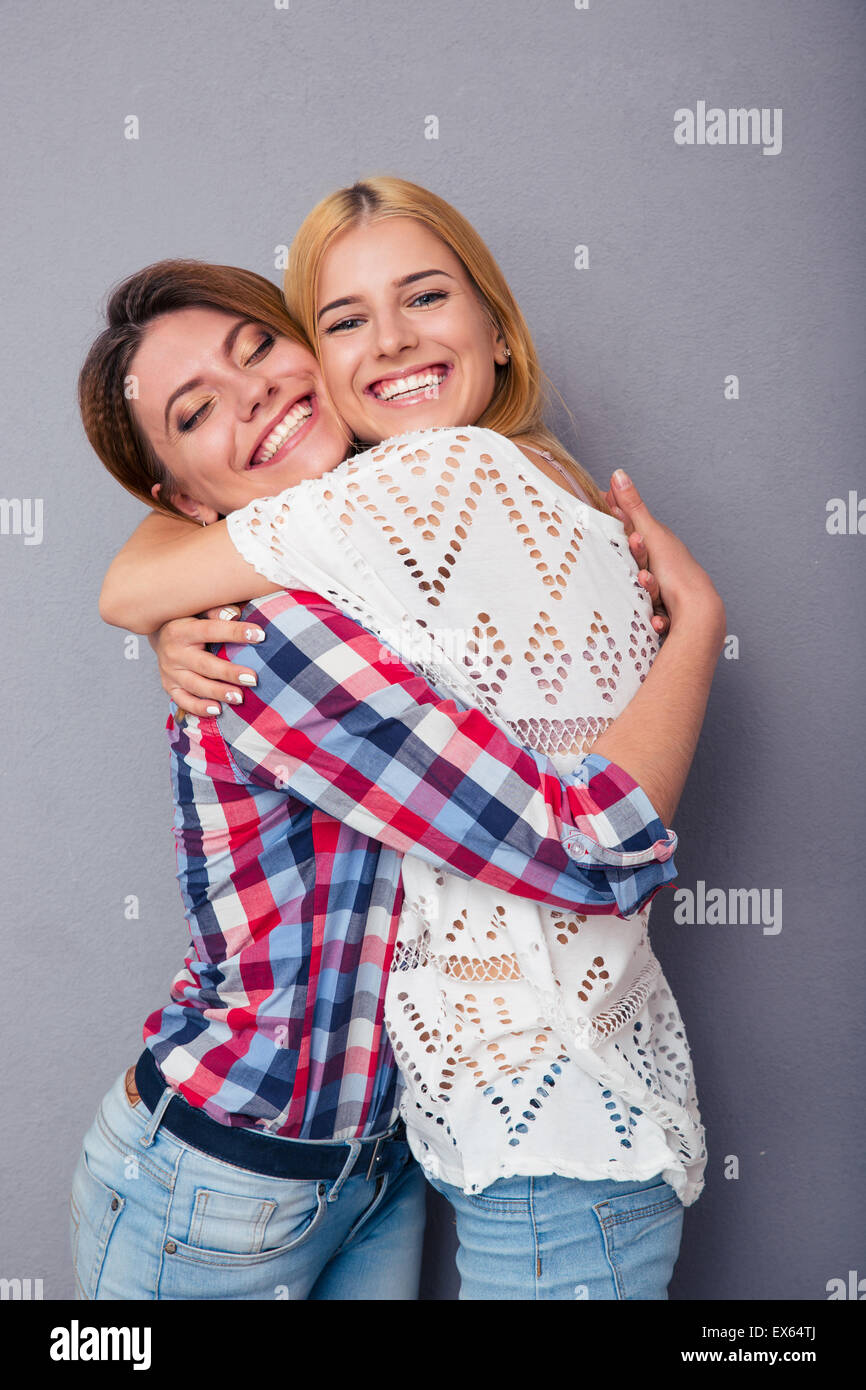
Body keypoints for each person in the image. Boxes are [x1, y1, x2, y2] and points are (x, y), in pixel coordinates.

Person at [99, 178, 725, 1301]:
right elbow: (593, 846)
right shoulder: (285, 609)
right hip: (228, 1165)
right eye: (193, 413)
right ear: (181, 495)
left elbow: (153, 568)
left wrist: (152, 597)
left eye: (262, 348)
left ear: (491, 319)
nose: (250, 398)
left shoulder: (422, 509)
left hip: (396, 1157)